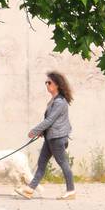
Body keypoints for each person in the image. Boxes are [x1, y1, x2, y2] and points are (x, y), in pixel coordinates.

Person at [18, 71, 75, 200]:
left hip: (57, 138)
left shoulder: (60, 102)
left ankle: (71, 191)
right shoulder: (54, 100)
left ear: (57, 85)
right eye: (46, 82)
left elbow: (50, 120)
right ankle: (30, 190)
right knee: (42, 163)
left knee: (63, 163)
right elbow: (51, 121)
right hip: (51, 137)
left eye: (49, 82)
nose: (47, 85)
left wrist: (35, 130)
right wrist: (43, 132)